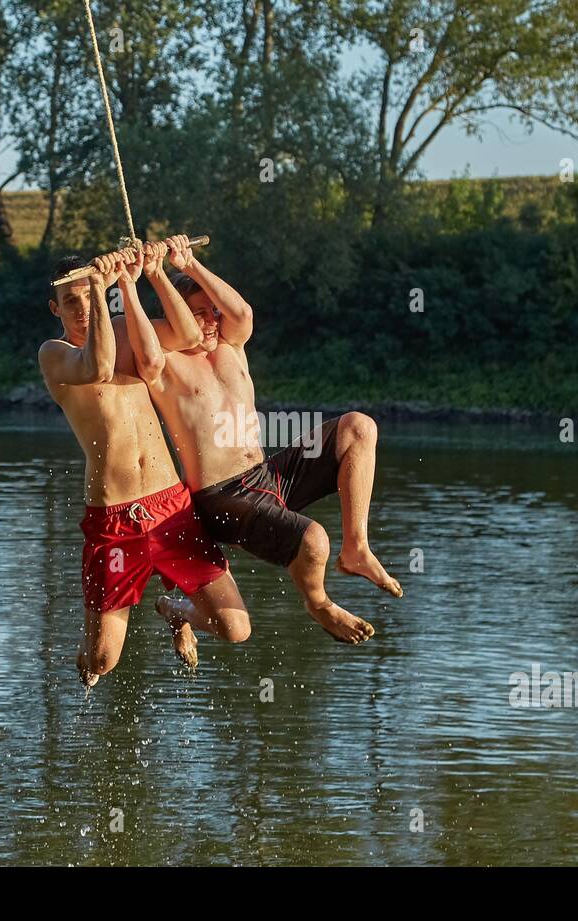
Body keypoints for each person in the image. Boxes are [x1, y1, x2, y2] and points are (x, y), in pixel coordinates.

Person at [130, 235, 402, 646]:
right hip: (221, 497)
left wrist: (189, 264)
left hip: (266, 476)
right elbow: (148, 350)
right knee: (312, 540)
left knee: (358, 428)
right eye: (198, 313)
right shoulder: (165, 362)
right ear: (175, 315)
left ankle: (357, 548)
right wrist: (149, 275)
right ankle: (318, 603)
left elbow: (242, 312)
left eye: (212, 312)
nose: (209, 321)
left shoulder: (231, 346)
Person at [38, 244, 250, 686]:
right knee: (101, 661)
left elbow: (189, 335)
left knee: (236, 629)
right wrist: (101, 288)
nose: (82, 308)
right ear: (55, 307)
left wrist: (150, 271)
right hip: (116, 521)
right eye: (71, 300)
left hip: (170, 508)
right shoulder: (54, 354)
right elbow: (97, 367)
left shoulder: (125, 327)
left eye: (88, 295)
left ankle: (175, 609)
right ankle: (87, 655)